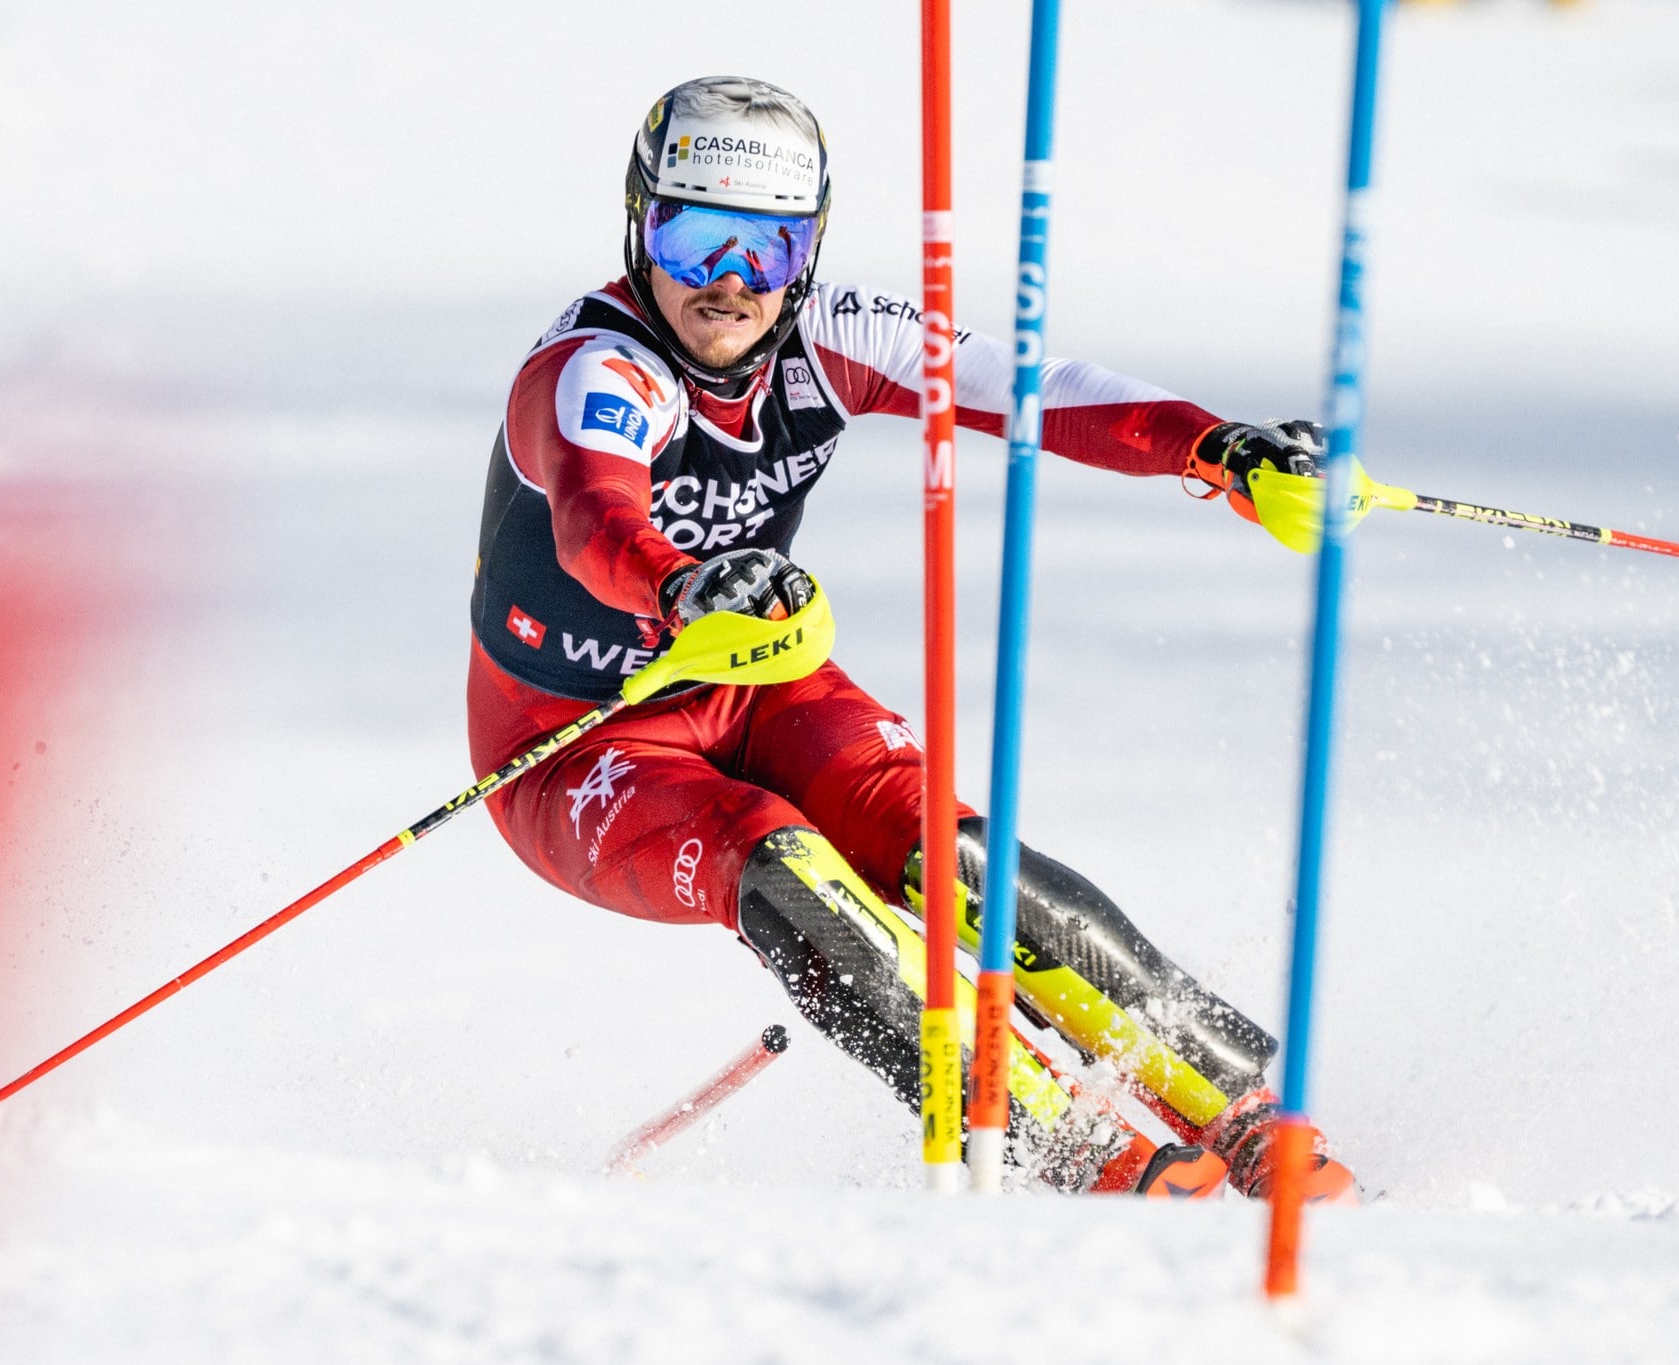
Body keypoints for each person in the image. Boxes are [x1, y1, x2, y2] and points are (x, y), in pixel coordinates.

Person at [467, 75, 1352, 1200]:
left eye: (768, 250)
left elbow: (1035, 389)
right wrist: (681, 586)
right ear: (639, 227)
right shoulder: (600, 370)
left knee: (951, 856)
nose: (728, 284)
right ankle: (1093, 1160)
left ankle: (1247, 1119)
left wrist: (1215, 449)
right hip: (575, 745)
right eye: (693, 240)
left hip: (753, 690)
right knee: (779, 864)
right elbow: (598, 519)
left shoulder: (832, 338)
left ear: (810, 249)